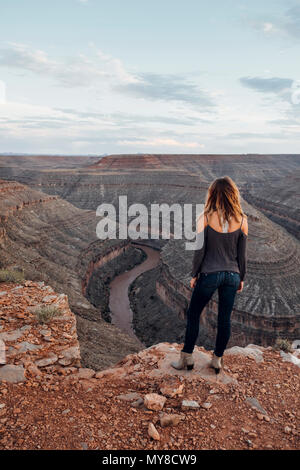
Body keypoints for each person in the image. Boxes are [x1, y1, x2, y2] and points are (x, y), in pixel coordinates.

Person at [171, 176, 248, 374]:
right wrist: (241, 278)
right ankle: (217, 360)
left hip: (209, 274)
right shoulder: (242, 220)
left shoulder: (205, 217)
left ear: (212, 194)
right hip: (232, 275)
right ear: (233, 195)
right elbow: (242, 255)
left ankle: (186, 358)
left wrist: (194, 274)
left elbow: (200, 251)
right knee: (224, 319)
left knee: (194, 314)